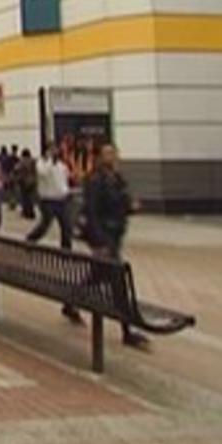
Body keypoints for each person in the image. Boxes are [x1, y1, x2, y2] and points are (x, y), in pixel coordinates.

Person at [82, 143, 149, 349]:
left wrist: (130, 207)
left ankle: (70, 301)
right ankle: (127, 331)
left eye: (114, 153)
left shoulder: (117, 179)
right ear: (100, 157)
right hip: (105, 239)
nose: (112, 157)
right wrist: (100, 242)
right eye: (107, 153)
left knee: (95, 278)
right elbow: (91, 212)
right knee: (118, 283)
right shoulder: (96, 180)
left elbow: (120, 204)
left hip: (114, 235)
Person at [25, 142, 81, 323]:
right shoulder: (42, 163)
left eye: (58, 150)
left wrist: (69, 189)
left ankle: (66, 250)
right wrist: (49, 159)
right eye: (53, 150)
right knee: (45, 223)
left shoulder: (62, 166)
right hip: (47, 201)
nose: (57, 153)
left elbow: (64, 181)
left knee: (66, 226)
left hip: (61, 200)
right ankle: (31, 239)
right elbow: (43, 174)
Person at [15, 148, 38, 219]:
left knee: (25, 198)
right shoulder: (33, 161)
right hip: (33, 182)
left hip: (24, 182)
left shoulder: (22, 161)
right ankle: (31, 213)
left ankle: (26, 212)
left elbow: (16, 169)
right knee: (30, 198)